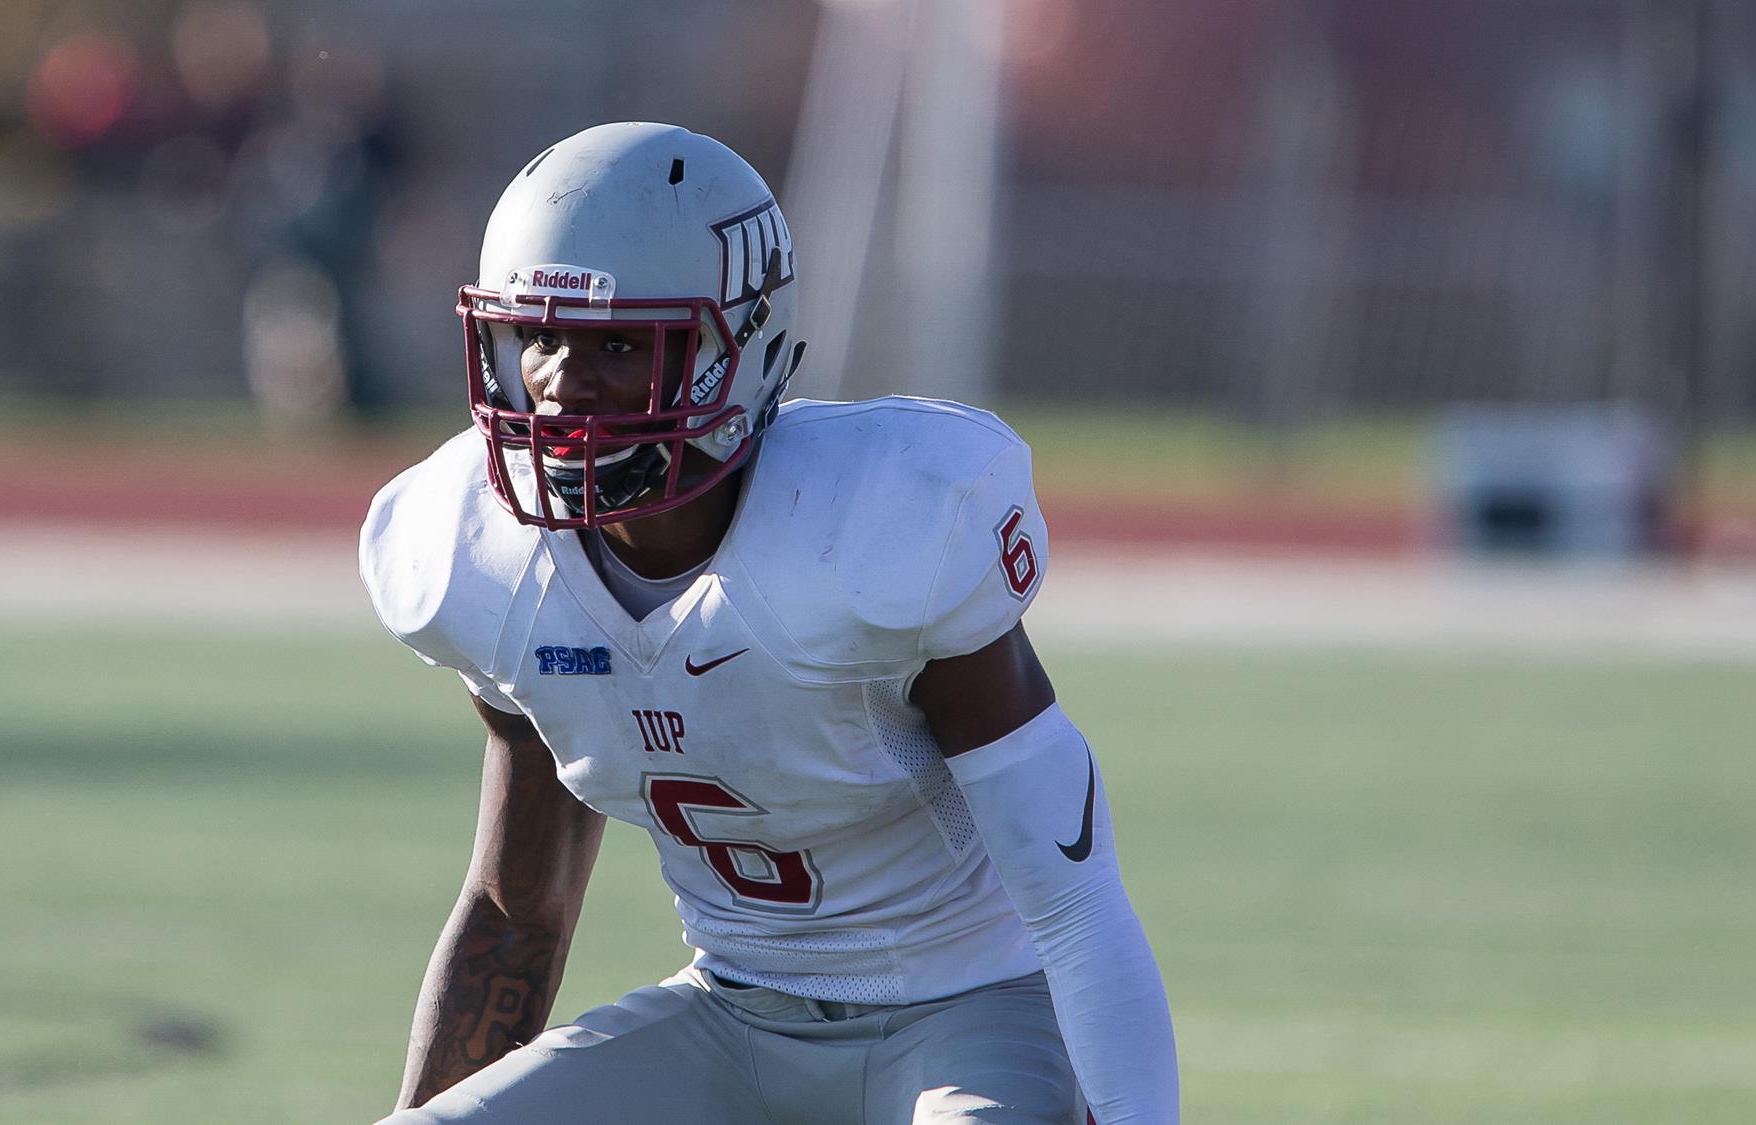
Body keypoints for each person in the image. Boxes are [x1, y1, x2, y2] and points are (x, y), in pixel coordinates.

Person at [360, 122, 1178, 1124]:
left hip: (972, 1016)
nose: (563, 383)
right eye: (539, 337)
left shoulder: (881, 529)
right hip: (730, 1017)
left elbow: (1075, 904)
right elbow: (512, 913)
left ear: (734, 351)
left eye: (619, 343)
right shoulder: (484, 560)